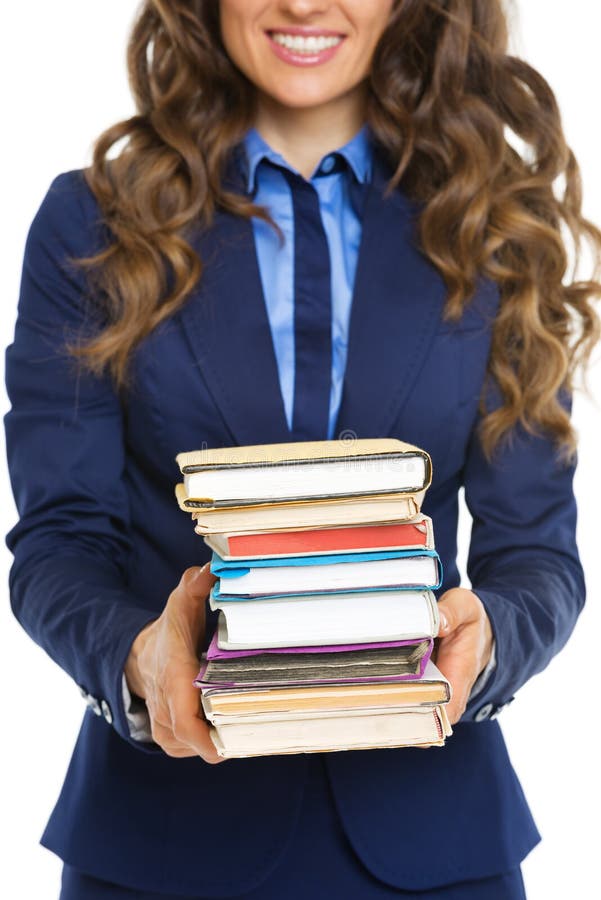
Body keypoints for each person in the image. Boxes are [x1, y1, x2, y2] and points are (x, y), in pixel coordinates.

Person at [5, 1, 601, 898]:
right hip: (161, 842)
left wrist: (488, 643)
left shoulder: (492, 226)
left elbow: (536, 554)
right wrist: (140, 658)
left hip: (437, 847)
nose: (304, 4)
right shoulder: (93, 224)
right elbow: (60, 542)